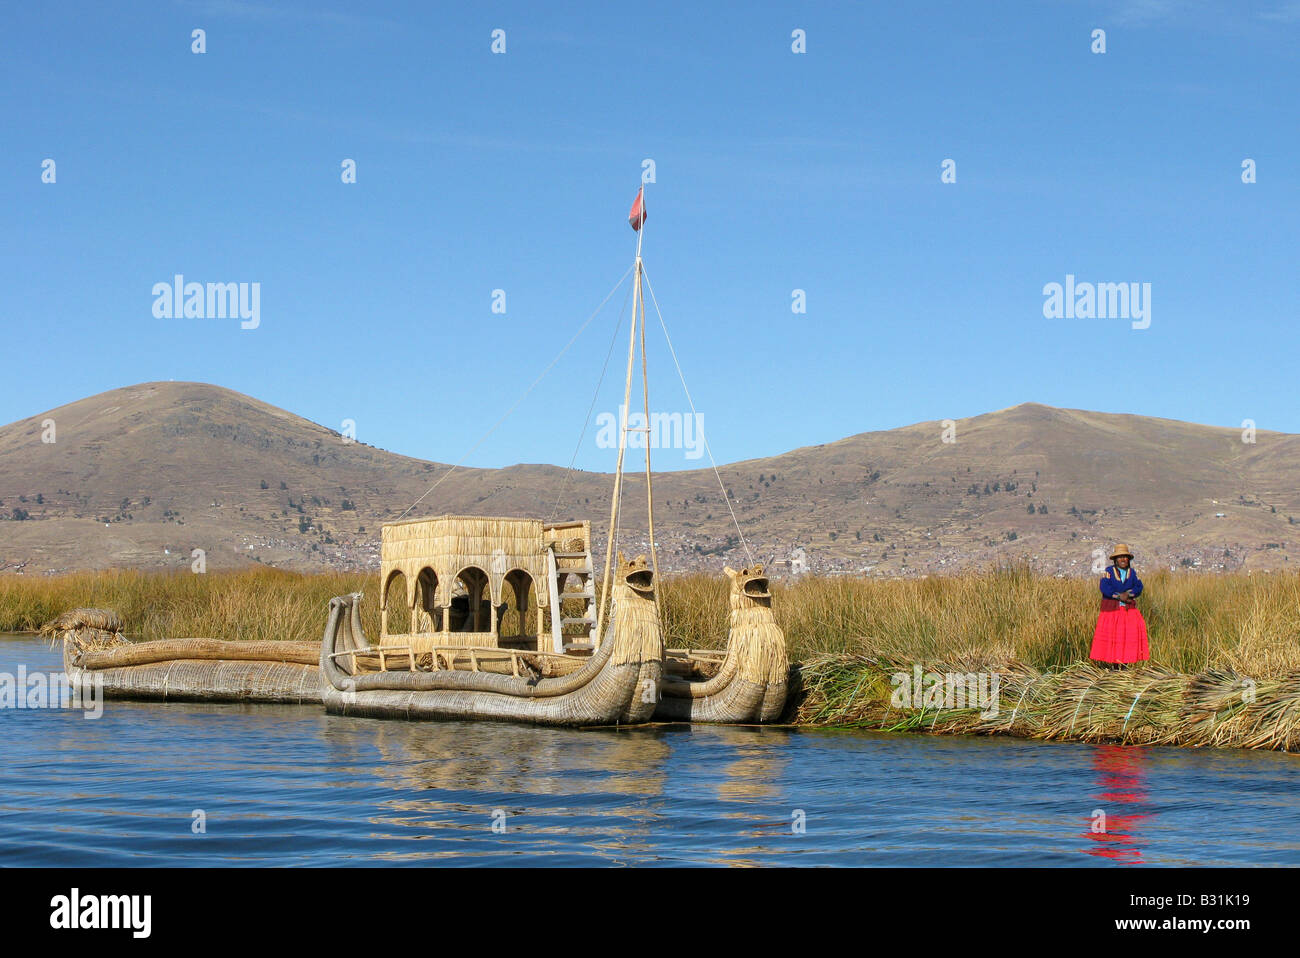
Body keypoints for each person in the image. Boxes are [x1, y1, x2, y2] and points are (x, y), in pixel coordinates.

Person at [1090, 544, 1150, 666]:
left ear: (1129, 559)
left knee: (1128, 638)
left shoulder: (1132, 573)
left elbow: (1139, 586)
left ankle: (1125, 666)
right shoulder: (1108, 572)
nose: (1123, 560)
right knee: (1115, 639)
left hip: (1128, 610)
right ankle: (1115, 667)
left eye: (1125, 557)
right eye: (1120, 557)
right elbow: (1104, 587)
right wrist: (1118, 596)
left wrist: (1129, 594)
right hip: (1112, 612)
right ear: (1115, 560)